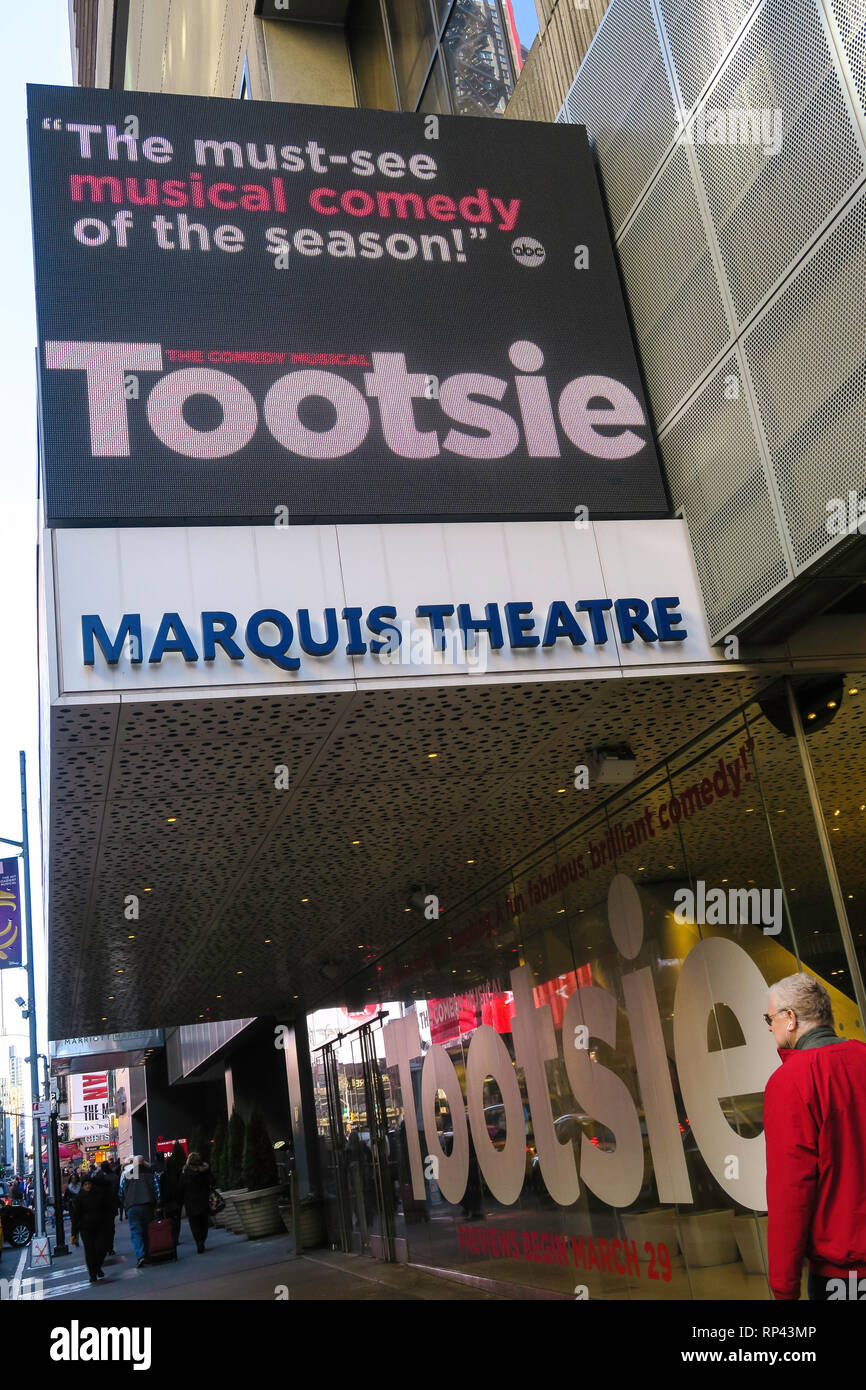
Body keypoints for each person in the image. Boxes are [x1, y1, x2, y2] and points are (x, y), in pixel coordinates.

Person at [763, 972, 866, 1300]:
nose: (770, 1027)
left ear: (790, 1019)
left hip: (843, 1279)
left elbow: (790, 1193)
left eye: (770, 1018)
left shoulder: (789, 1082)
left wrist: (784, 1288)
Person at [119, 1156, 161, 1268]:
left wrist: (126, 1204)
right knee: (147, 1231)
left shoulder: (128, 1175)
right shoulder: (150, 1174)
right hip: (147, 1205)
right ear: (144, 1162)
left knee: (136, 1232)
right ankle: (149, 1254)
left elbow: (121, 1192)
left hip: (132, 1207)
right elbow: (157, 1191)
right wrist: (157, 1205)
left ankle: (140, 1256)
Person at [76, 1173, 112, 1283]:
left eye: (89, 1184)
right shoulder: (79, 1198)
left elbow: (106, 1208)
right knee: (90, 1251)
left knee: (101, 1248)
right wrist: (75, 1232)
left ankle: (97, 1267)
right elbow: (76, 1215)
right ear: (82, 1186)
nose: (88, 1186)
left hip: (99, 1225)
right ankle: (92, 1273)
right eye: (85, 1184)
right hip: (85, 1228)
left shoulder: (98, 1194)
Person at [180, 1150, 214, 1254]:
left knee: (194, 1224)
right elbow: (212, 1182)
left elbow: (181, 1188)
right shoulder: (204, 1171)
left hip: (190, 1202)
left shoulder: (185, 1173)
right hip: (203, 1200)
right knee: (204, 1223)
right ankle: (202, 1240)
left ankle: (198, 1241)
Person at [160, 1142, 186, 1250]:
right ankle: (176, 1238)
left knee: (169, 1218)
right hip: (178, 1196)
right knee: (177, 1218)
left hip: (169, 1197)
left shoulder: (165, 1173)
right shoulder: (182, 1162)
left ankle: (171, 1237)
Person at [97, 1161, 119, 1257]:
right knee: (111, 1227)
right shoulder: (114, 1177)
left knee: (103, 1228)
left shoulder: (100, 1177)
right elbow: (117, 1190)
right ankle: (110, 1247)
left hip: (102, 1207)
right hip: (111, 1205)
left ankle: (106, 1246)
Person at [66, 1170, 83, 1247]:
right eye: (72, 1178)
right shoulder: (68, 1188)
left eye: (75, 1178)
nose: (74, 1180)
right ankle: (74, 1240)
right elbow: (65, 1199)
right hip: (72, 1208)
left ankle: (81, 1238)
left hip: (80, 1208)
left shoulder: (80, 1187)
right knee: (74, 1225)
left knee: (81, 1224)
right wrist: (69, 1202)